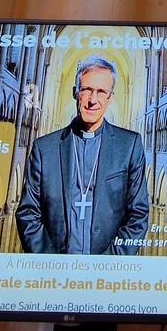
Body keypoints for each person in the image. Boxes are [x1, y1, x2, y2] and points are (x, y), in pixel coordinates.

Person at [16, 55, 149, 255]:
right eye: (86, 89)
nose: (92, 100)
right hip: (53, 275)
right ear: (75, 92)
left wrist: (107, 266)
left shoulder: (129, 145)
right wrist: (48, 265)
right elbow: (28, 213)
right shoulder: (45, 149)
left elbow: (137, 215)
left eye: (101, 91)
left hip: (107, 276)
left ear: (110, 97)